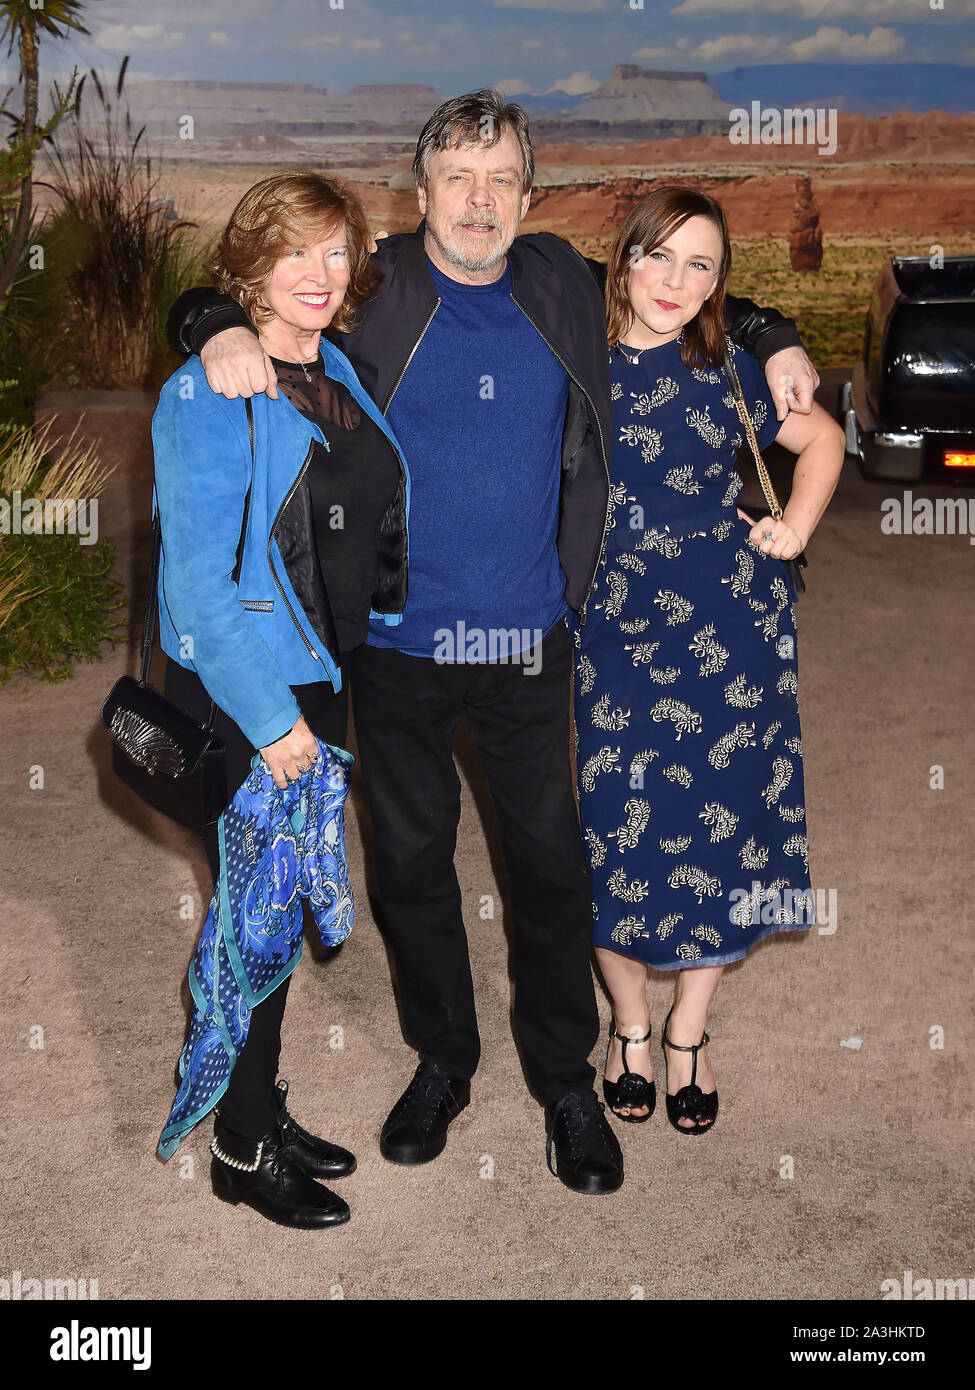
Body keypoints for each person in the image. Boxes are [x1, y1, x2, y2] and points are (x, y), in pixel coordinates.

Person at [166, 90, 820, 1195]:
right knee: (414, 868)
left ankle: (564, 1077)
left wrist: (775, 332)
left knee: (552, 867)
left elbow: (684, 289)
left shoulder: (565, 281)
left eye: (502, 179)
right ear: (418, 193)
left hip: (531, 641)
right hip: (393, 645)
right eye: (457, 178)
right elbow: (255, 287)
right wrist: (208, 325)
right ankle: (443, 1058)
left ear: (531, 193)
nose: (480, 201)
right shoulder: (372, 290)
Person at [154, 170, 410, 1225]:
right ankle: (241, 1150)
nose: (320, 273)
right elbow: (196, 590)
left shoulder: (331, 362)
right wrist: (276, 728)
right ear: (249, 264)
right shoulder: (208, 389)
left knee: (278, 909)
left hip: (319, 678)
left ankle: (262, 1105)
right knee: (253, 922)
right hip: (247, 693)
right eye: (296, 251)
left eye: (337, 251)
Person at [573, 185, 843, 1131]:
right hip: (609, 624)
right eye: (658, 256)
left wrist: (790, 531)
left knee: (721, 831)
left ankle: (688, 1029)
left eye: (701, 266)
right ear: (624, 256)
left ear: (721, 283)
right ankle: (629, 1025)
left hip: (729, 630)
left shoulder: (728, 365)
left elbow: (820, 439)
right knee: (617, 832)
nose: (675, 281)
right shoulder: (575, 356)